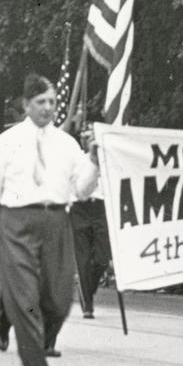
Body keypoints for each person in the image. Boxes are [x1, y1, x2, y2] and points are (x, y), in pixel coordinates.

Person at [0, 77, 98, 366]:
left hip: (56, 221)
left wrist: (95, 161)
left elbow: (82, 190)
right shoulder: (7, 141)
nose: (48, 108)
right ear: (26, 105)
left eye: (52, 102)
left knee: (59, 299)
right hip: (16, 222)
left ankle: (27, 341)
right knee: (25, 298)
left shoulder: (67, 144)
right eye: (41, 102)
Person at [67, 130, 113, 318]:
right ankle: (88, 305)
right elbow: (80, 191)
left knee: (103, 257)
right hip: (81, 208)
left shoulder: (109, 161)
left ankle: (88, 288)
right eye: (86, 137)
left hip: (101, 208)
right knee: (83, 259)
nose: (90, 140)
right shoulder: (78, 160)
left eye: (93, 137)